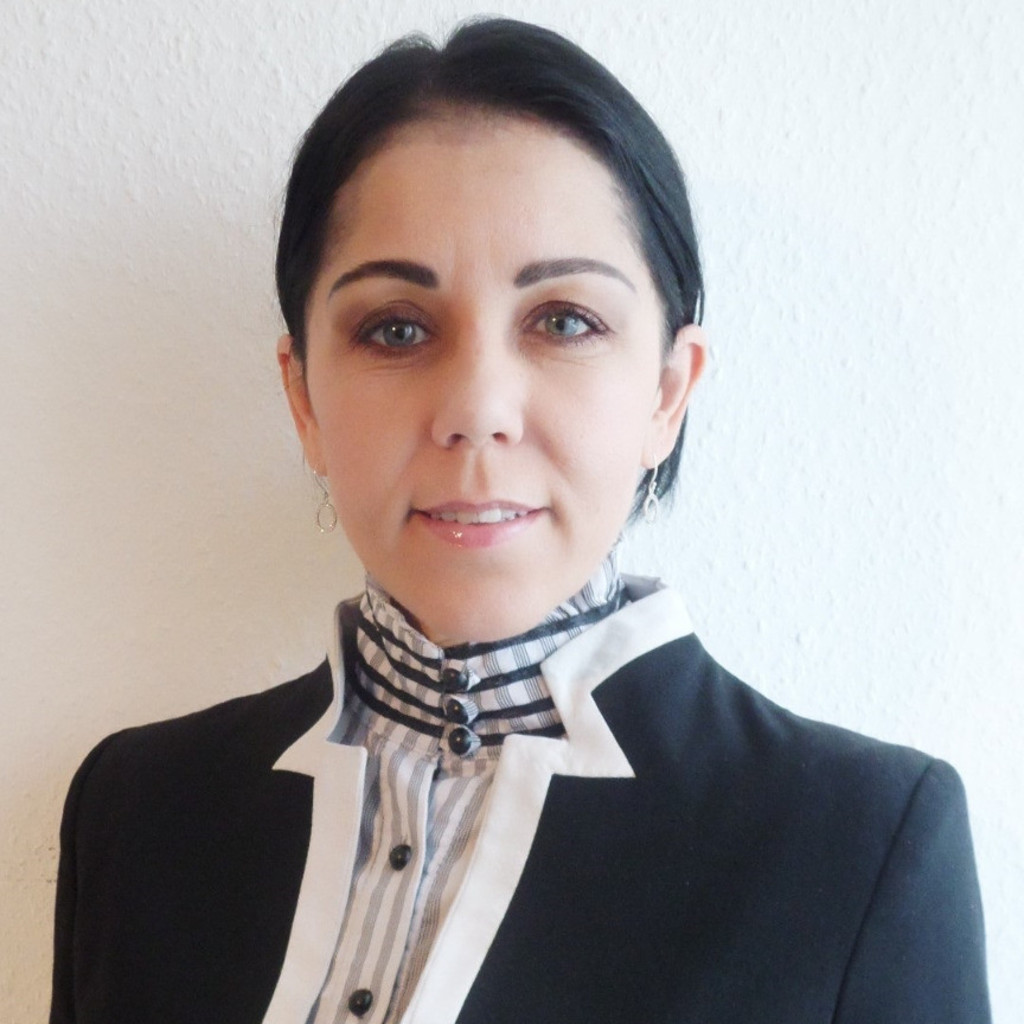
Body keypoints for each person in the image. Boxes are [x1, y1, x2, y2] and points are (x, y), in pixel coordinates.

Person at [49, 17, 990, 1024]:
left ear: (668, 391)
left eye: (565, 321)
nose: (476, 410)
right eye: (396, 329)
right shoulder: (138, 811)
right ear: (303, 397)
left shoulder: (860, 845)